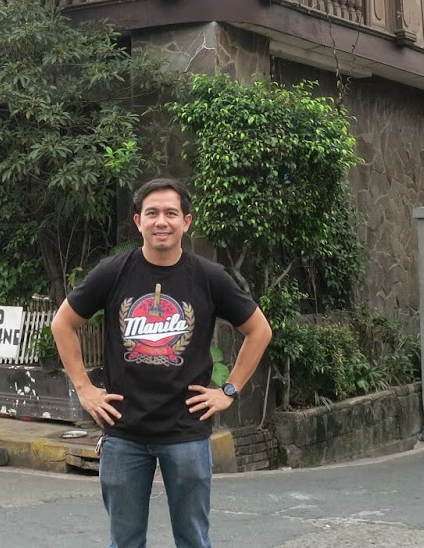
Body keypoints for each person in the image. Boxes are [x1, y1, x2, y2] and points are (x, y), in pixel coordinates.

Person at [51, 177, 272, 548]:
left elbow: (259, 331)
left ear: (187, 221)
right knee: (125, 541)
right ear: (138, 221)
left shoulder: (209, 276)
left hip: (186, 433)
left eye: (171, 213)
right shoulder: (113, 272)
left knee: (193, 540)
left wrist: (229, 390)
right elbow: (63, 323)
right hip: (124, 433)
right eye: (152, 213)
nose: (161, 221)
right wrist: (84, 388)